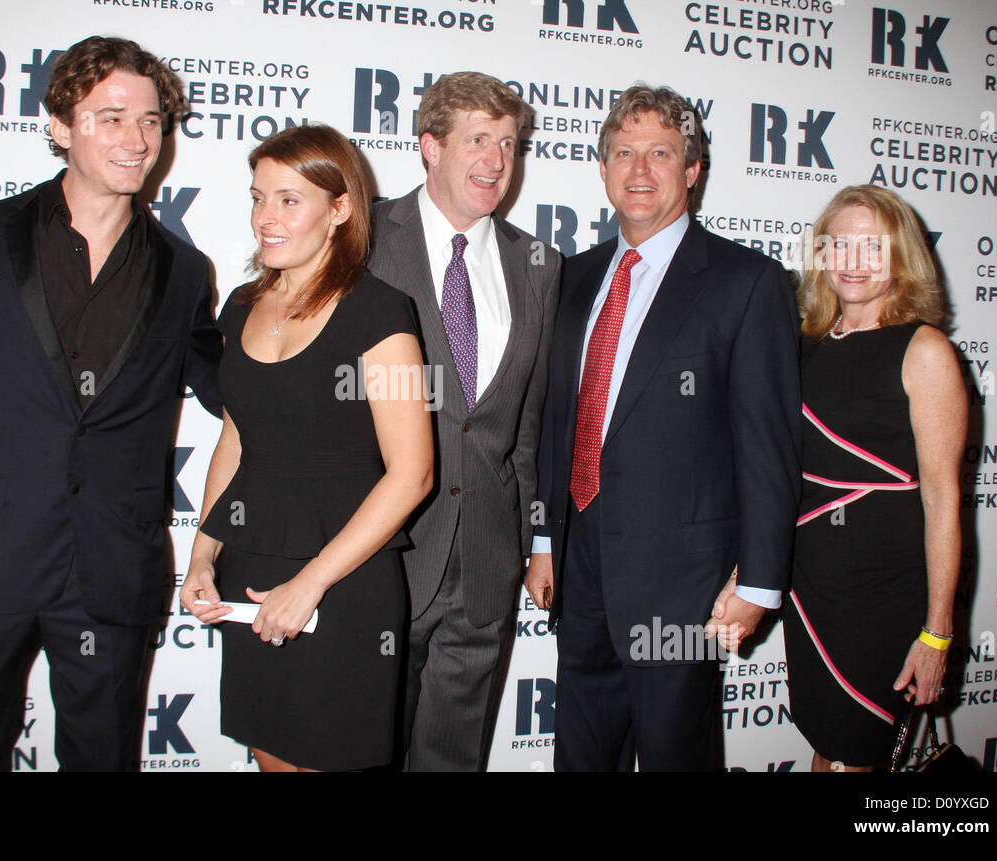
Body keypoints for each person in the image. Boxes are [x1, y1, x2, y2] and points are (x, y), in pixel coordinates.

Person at [0, 36, 222, 771]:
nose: (137, 140)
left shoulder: (181, 268)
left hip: (112, 560)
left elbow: (234, 386)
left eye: (149, 121)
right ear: (59, 125)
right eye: (111, 117)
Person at [525, 84, 801, 771]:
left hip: (686, 584)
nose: (639, 170)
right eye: (623, 152)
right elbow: (559, 418)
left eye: (659, 153)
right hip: (581, 568)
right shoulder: (574, 277)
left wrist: (760, 582)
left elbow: (769, 447)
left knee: (678, 755)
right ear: (603, 167)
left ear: (691, 170)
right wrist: (541, 536)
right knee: (584, 754)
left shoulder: (747, 283)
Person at [181, 123, 432, 771]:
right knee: (272, 756)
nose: (267, 216)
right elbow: (237, 436)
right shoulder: (241, 306)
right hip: (252, 566)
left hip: (343, 579)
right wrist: (203, 553)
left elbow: (412, 475)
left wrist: (311, 582)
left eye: (289, 199)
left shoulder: (383, 313)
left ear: (339, 208)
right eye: (258, 197)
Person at [366, 71, 561, 771]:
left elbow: (528, 426)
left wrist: (537, 539)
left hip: (485, 558)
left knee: (454, 758)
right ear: (429, 146)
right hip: (380, 552)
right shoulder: (361, 236)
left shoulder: (540, 265)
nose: (496, 160)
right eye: (478, 139)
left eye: (509, 143)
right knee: (366, 746)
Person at [783, 185, 965, 772]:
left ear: (901, 256)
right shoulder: (804, 344)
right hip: (808, 585)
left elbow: (942, 498)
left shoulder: (924, 349)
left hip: (881, 592)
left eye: (872, 247)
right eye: (839, 244)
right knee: (827, 744)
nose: (853, 261)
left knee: (856, 750)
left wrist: (936, 635)